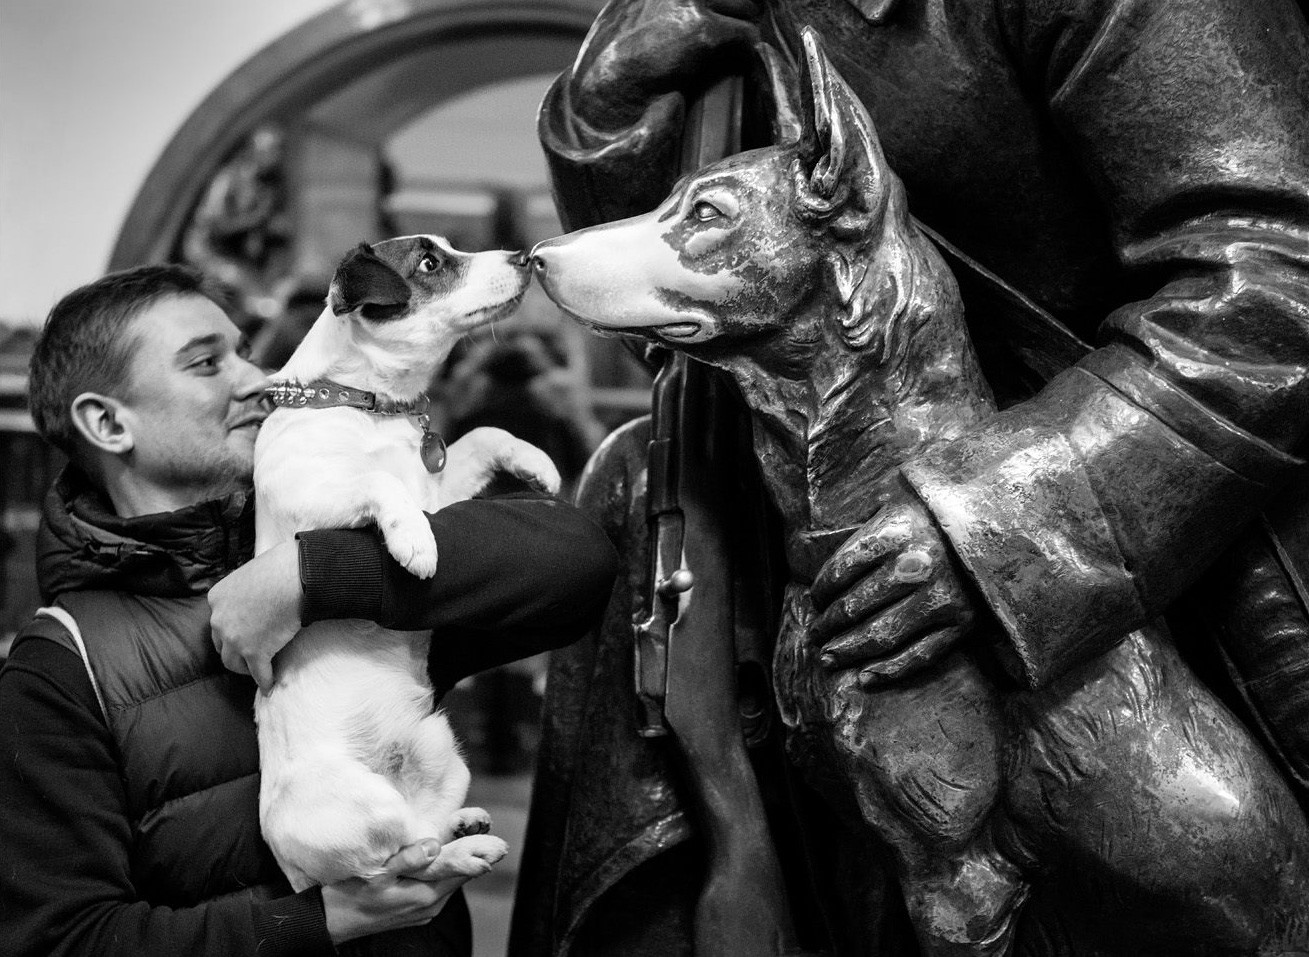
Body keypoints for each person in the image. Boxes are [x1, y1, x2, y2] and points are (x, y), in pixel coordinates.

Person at [511, 0, 1309, 953]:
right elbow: (685, 282)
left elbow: (1269, 279)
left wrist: (1002, 516)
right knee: (632, 486)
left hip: (1130, 493)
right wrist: (612, 97)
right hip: (820, 478)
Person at [0, 264, 618, 957]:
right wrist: (326, 918)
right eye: (208, 363)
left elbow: (578, 564)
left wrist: (308, 575)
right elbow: (62, 940)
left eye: (243, 349)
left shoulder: (332, 550)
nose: (255, 378)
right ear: (109, 421)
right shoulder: (62, 667)